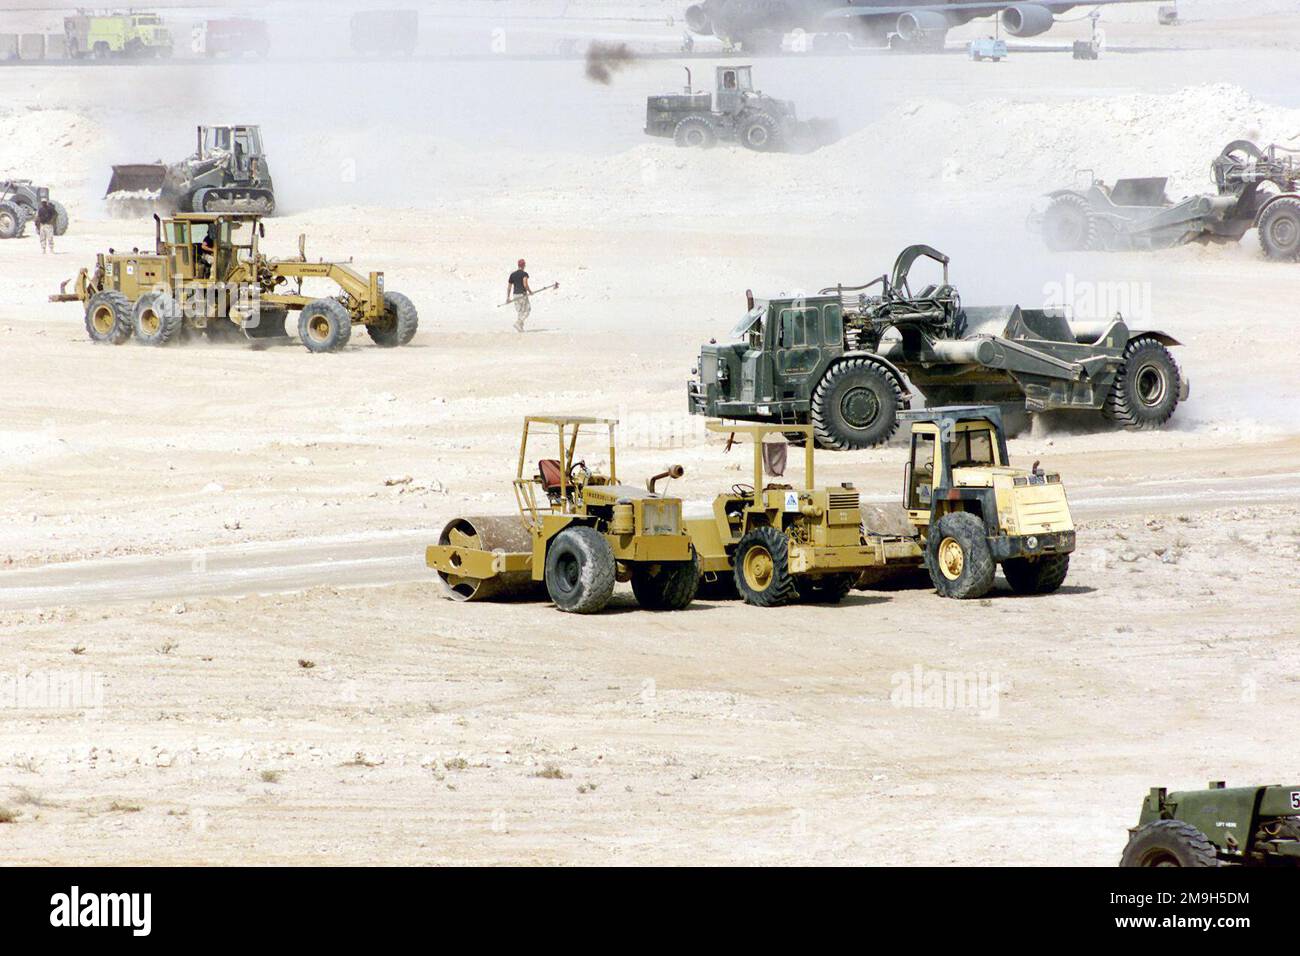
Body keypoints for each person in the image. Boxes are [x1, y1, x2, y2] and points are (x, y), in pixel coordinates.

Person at [506, 258, 532, 333]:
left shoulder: (512, 274)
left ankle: (520, 328)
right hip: (522, 294)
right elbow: (525, 284)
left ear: (518, 265)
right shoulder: (524, 274)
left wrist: (508, 297)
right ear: (523, 265)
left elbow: (509, 287)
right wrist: (530, 291)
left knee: (520, 311)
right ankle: (518, 323)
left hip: (515, 295)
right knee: (527, 310)